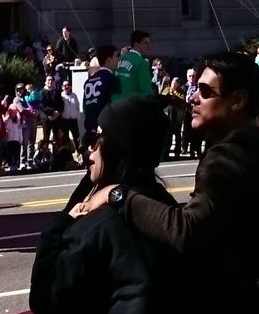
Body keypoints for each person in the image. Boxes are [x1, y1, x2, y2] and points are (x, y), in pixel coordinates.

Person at [111, 51, 259, 307]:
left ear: (238, 100)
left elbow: (187, 232)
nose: (193, 98)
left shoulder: (227, 156)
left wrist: (120, 196)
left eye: (205, 91)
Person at [31, 94, 179, 314]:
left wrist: (60, 223)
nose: (88, 148)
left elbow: (45, 299)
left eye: (97, 138)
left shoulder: (98, 226)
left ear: (117, 148)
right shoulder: (168, 211)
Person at [83, 46, 121, 140]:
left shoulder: (88, 81)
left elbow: (85, 107)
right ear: (108, 60)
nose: (118, 60)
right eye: (116, 56)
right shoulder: (112, 79)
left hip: (90, 126)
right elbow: (117, 105)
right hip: (107, 127)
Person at [116, 31, 154, 97]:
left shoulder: (118, 60)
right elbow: (146, 88)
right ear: (136, 44)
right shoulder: (142, 63)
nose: (148, 46)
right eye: (145, 43)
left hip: (115, 103)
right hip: (132, 103)